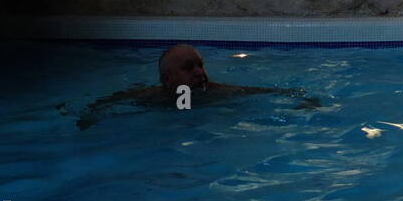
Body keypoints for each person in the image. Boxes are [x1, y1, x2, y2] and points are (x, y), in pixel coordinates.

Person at [77, 44, 316, 128]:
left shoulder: (216, 93)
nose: (200, 72)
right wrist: (88, 117)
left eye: (200, 65)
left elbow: (266, 93)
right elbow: (104, 105)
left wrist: (301, 98)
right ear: (168, 80)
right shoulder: (149, 97)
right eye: (189, 67)